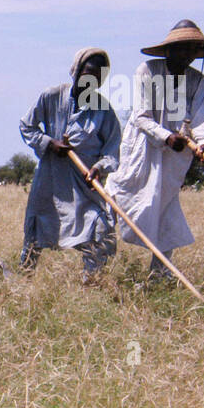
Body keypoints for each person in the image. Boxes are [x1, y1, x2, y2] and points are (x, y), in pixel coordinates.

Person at [106, 20, 204, 280]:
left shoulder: (197, 81)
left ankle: (159, 275)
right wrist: (166, 136)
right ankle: (99, 261)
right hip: (143, 148)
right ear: (169, 50)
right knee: (118, 196)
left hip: (175, 156)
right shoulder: (147, 71)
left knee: (166, 208)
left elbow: (200, 119)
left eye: (192, 49)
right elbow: (141, 116)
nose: (187, 55)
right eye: (181, 49)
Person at [19, 48, 121, 283]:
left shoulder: (104, 111)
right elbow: (27, 126)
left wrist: (99, 167)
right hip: (50, 179)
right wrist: (49, 142)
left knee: (99, 229)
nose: (90, 79)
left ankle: (91, 285)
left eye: (97, 76)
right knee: (35, 234)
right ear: (76, 71)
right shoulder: (51, 96)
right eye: (87, 72)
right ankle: (24, 283)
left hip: (84, 184)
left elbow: (113, 152)